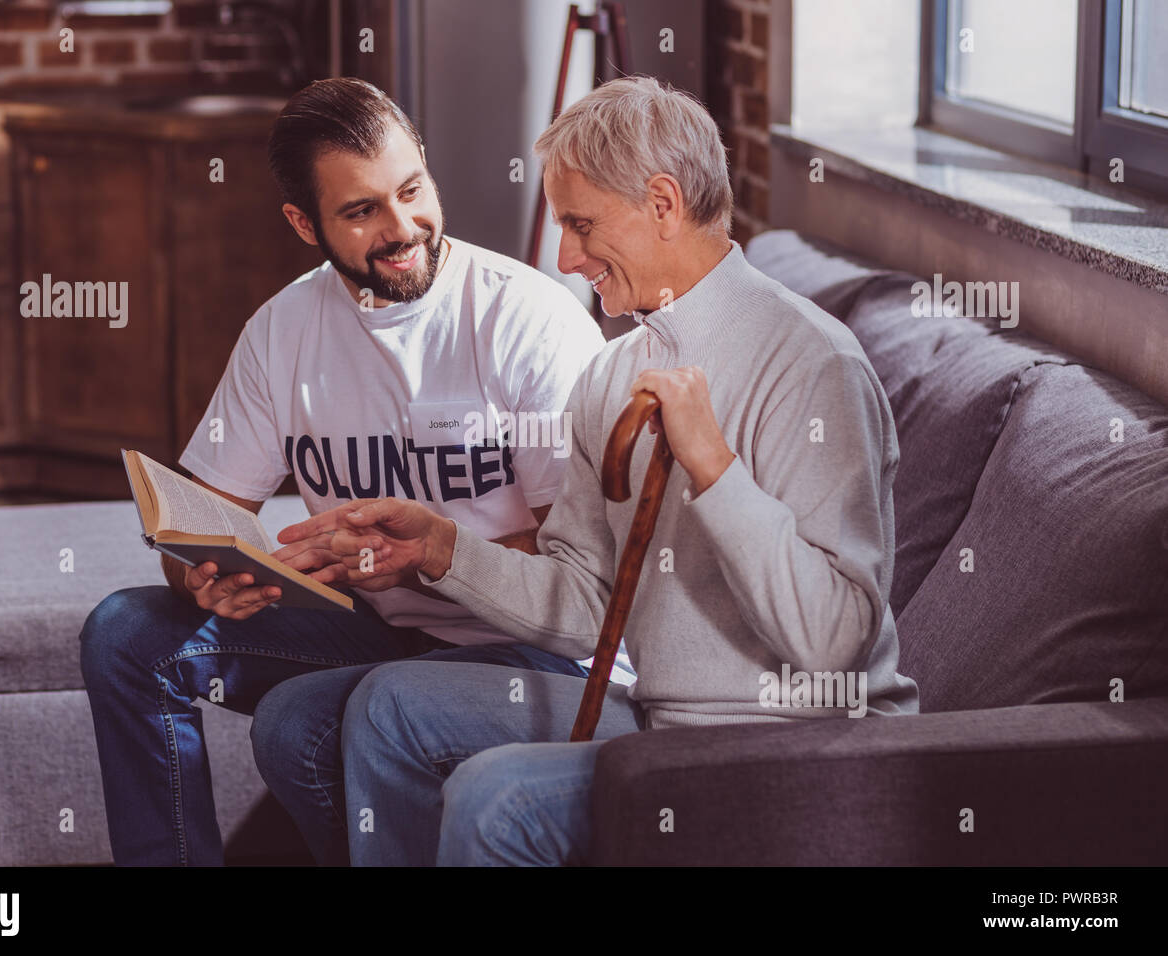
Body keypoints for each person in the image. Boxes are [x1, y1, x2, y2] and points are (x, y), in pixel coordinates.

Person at [311, 75, 920, 865]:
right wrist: (442, 550)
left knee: (498, 800)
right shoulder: (613, 372)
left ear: (663, 204)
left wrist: (716, 470)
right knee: (391, 705)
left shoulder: (813, 364)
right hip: (660, 722)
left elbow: (835, 643)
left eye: (581, 223)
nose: (566, 257)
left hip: (798, 747)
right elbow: (590, 606)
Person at [78, 77, 609, 866]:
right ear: (304, 223)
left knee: (298, 721)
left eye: (411, 190)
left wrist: (420, 558)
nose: (403, 229)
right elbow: (199, 517)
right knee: (124, 633)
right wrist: (208, 576)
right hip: (375, 631)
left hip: (528, 648)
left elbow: (584, 583)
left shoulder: (527, 323)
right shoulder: (283, 330)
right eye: (362, 212)